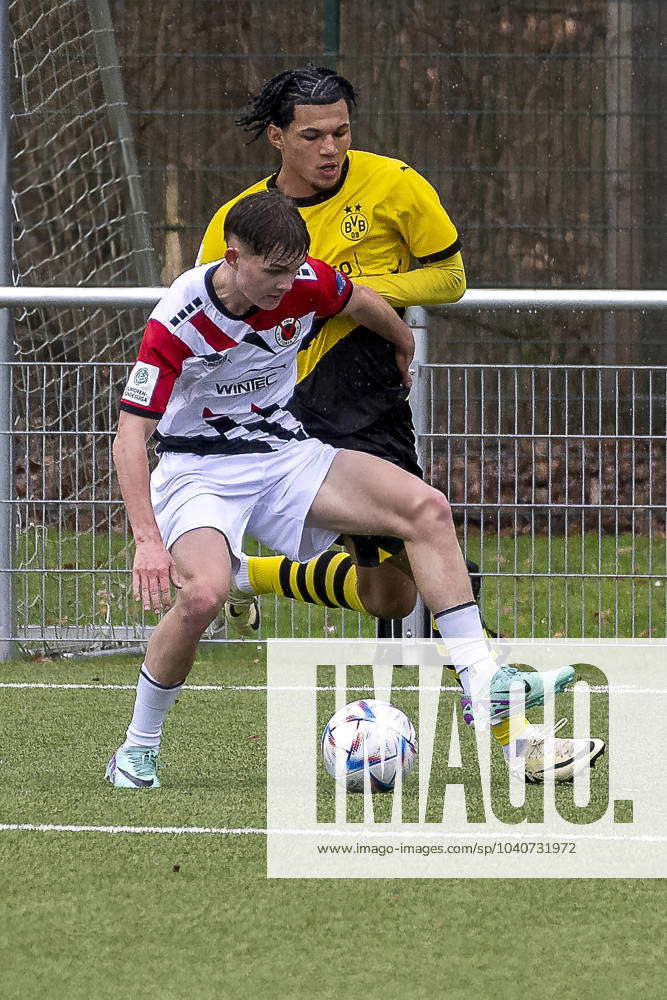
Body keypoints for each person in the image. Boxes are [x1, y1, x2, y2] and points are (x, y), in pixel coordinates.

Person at [105, 190, 604, 789]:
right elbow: (131, 437)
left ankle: (484, 685)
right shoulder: (179, 320)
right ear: (233, 257)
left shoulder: (303, 280)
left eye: (295, 270)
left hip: (286, 455)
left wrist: (404, 342)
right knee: (203, 598)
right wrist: (147, 540)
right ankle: (137, 748)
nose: (287, 286)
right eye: (272, 272)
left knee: (425, 509)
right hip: (200, 472)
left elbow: (360, 298)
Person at [197, 65, 478, 637]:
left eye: (341, 132)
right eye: (312, 136)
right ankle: (481, 674)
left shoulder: (395, 184)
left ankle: (254, 574)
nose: (331, 148)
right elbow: (209, 315)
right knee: (423, 530)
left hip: (366, 400)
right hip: (280, 406)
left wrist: (354, 295)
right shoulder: (240, 219)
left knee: (390, 598)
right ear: (277, 136)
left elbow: (450, 278)